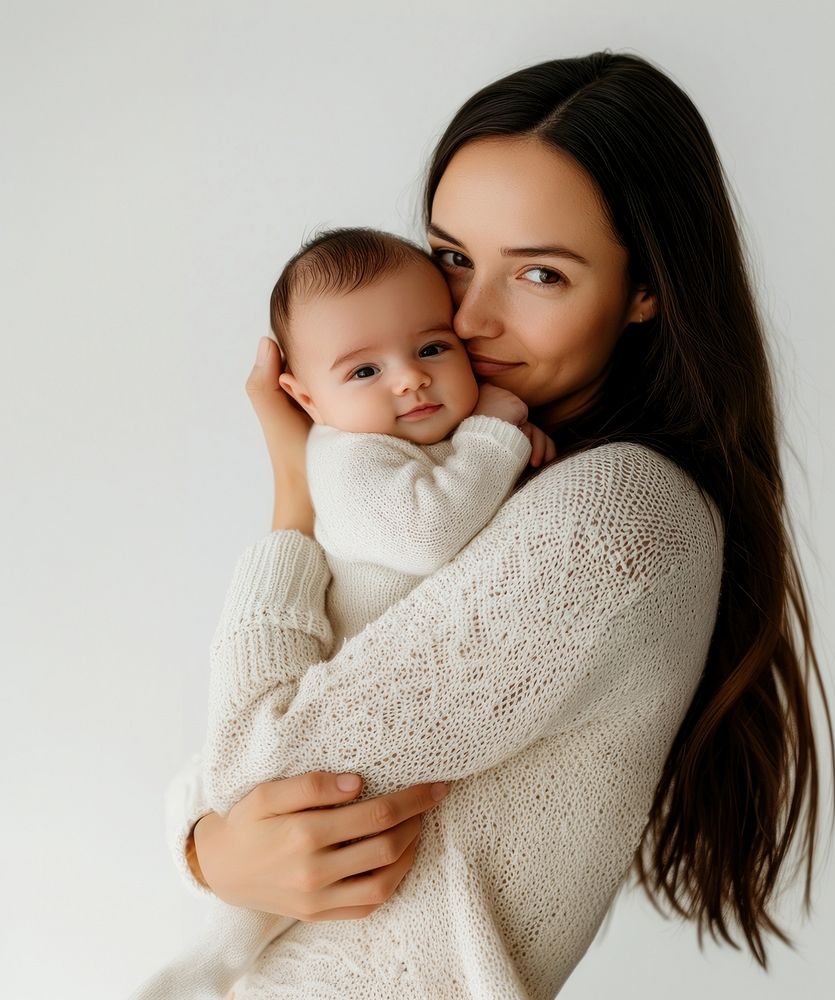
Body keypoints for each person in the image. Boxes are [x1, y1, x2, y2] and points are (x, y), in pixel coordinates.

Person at [133, 50, 835, 1000]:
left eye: (540, 274)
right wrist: (211, 847)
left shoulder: (616, 518)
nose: (464, 319)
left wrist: (296, 495)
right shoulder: (473, 479)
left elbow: (249, 770)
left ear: (645, 291)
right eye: (454, 258)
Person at [131, 227, 560, 998]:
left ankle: (199, 972)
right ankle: (189, 976)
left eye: (431, 349)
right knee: (246, 918)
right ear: (304, 397)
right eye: (365, 369)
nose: (409, 382)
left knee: (266, 908)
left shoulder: (429, 443)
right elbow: (430, 532)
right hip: (318, 717)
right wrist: (498, 428)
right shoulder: (348, 457)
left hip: (342, 720)